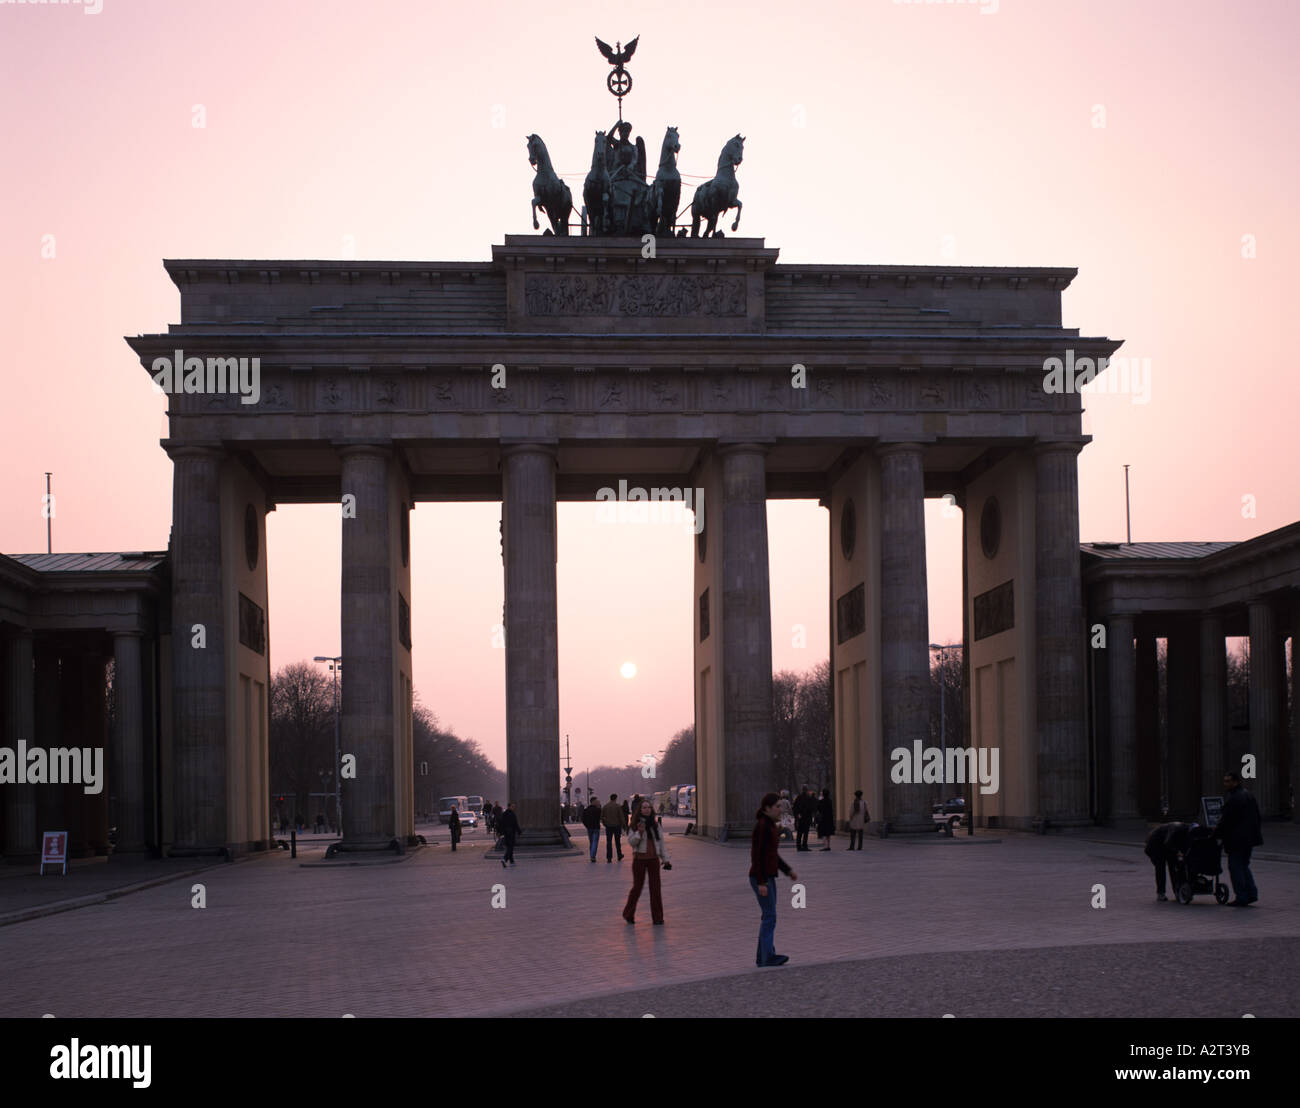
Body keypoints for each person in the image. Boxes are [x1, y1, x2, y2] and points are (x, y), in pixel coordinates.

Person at [750, 792, 797, 967]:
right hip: (762, 877)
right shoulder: (763, 826)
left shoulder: (769, 825)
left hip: (768, 876)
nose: (780, 809)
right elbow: (758, 855)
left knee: (768, 916)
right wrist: (761, 882)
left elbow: (772, 856)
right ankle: (767, 957)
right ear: (767, 808)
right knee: (770, 916)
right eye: (777, 806)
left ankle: (763, 956)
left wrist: (788, 870)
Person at [1213, 771, 1263, 906]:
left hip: (1237, 839)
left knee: (1235, 867)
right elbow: (1257, 817)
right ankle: (1251, 894)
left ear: (1236, 782)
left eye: (1229, 781)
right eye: (1225, 781)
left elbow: (1226, 821)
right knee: (1244, 866)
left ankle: (1242, 896)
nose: (1226, 784)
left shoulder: (1235, 798)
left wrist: (1215, 834)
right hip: (1249, 839)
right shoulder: (1248, 795)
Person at [624, 799, 672, 925]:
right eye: (644, 807)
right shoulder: (634, 824)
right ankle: (628, 914)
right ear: (639, 810)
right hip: (639, 860)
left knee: (655, 889)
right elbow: (631, 842)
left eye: (649, 807)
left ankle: (658, 918)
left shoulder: (655, 825)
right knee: (637, 888)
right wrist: (639, 832)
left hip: (653, 860)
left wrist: (665, 860)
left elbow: (661, 843)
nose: (647, 809)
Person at [1143, 821, 1195, 900]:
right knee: (1160, 868)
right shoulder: (1176, 828)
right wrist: (1178, 853)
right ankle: (1161, 893)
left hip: (1167, 844)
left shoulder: (1186, 832)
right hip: (1155, 844)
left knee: (1175, 868)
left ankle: (1177, 891)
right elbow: (1168, 842)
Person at [601, 793, 625, 863]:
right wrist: (624, 825)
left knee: (609, 842)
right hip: (617, 826)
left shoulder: (605, 806)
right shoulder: (618, 806)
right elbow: (621, 817)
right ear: (616, 798)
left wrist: (604, 823)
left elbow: (602, 816)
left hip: (608, 826)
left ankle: (609, 857)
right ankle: (619, 855)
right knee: (617, 842)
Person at [497, 801, 520, 869]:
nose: (514, 808)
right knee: (510, 847)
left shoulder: (504, 814)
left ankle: (512, 861)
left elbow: (501, 823)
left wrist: (500, 832)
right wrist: (519, 831)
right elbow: (515, 823)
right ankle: (504, 859)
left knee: (509, 847)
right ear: (509, 806)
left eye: (514, 806)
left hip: (505, 833)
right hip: (511, 833)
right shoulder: (512, 814)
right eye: (513, 806)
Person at [792, 786, 814, 851]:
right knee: (805, 833)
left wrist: (797, 815)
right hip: (806, 818)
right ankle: (804, 846)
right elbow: (811, 808)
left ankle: (798, 846)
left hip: (800, 817)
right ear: (807, 790)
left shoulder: (798, 797)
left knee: (799, 832)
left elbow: (794, 807)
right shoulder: (808, 798)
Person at [582, 795, 603, 863]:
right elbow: (601, 817)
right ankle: (592, 856)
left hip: (589, 828)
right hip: (596, 828)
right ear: (593, 802)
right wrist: (599, 806)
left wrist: (587, 825)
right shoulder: (597, 810)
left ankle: (592, 855)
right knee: (595, 842)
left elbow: (583, 819)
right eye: (596, 801)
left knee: (591, 842)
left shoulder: (586, 810)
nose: (597, 802)